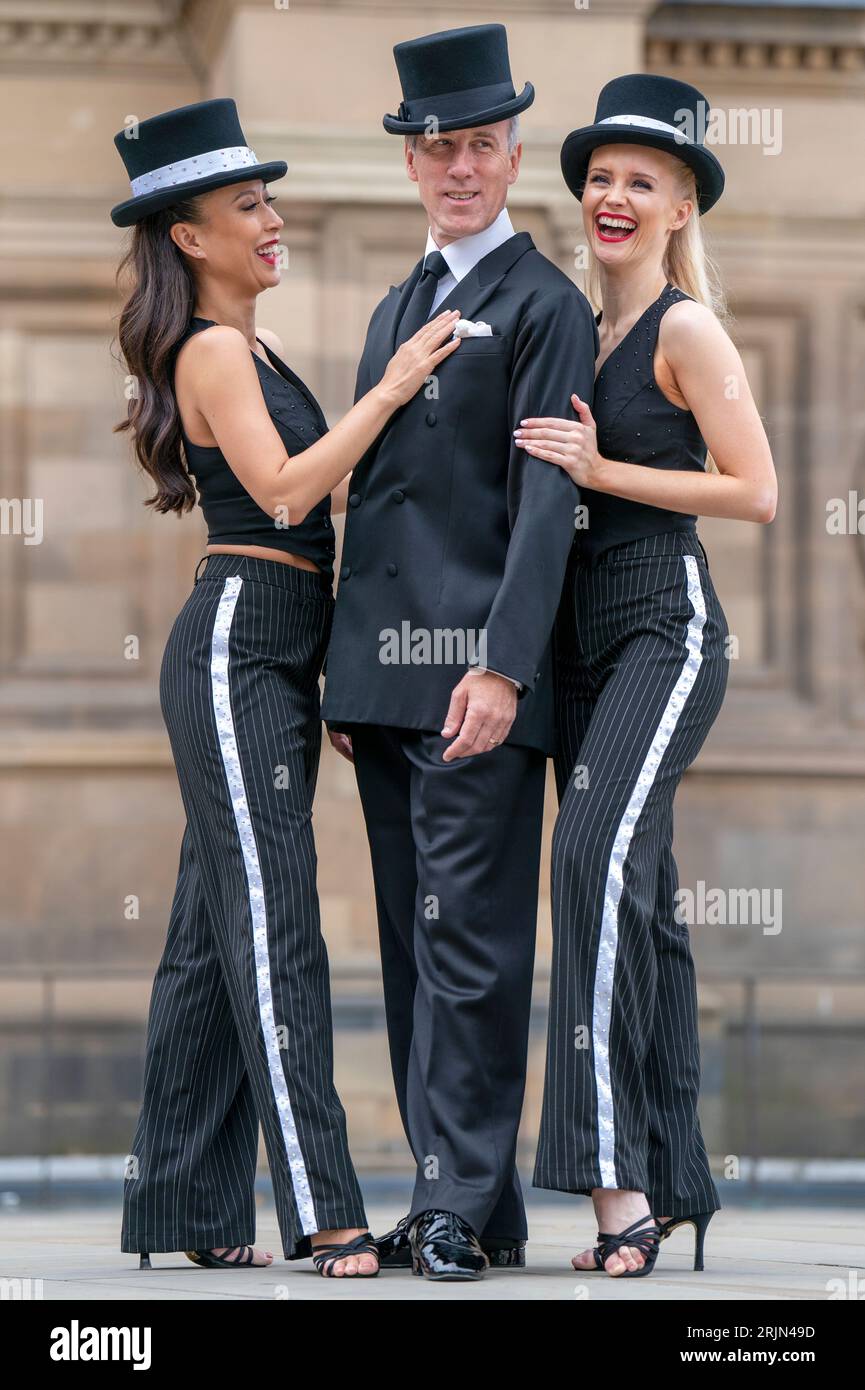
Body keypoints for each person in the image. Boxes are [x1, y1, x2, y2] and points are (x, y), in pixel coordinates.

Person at [111, 97, 461, 1278]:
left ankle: (181, 1211)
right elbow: (288, 495)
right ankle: (325, 1212)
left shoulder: (247, 347)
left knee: (215, 939)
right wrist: (400, 378)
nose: (272, 220)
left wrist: (341, 670)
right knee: (275, 926)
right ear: (187, 237)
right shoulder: (211, 348)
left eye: (268, 199)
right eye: (246, 205)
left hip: (276, 651)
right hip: (233, 648)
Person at [320, 24, 598, 1280]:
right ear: (412, 163)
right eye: (437, 148)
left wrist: (503, 667)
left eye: (480, 145)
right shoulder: (395, 304)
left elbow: (545, 510)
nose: (458, 168)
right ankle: (467, 1205)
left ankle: (450, 1196)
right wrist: (347, 672)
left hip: (478, 682)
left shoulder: (543, 304)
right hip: (382, 683)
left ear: (512, 153)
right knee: (411, 939)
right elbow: (369, 502)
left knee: (474, 945)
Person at [514, 73, 777, 1276]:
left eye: (642, 182)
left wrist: (603, 471)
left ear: (679, 208)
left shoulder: (683, 327)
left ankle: (614, 1188)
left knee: (590, 856)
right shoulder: (581, 322)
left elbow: (757, 490)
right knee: (646, 906)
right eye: (601, 177)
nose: (613, 196)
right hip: (577, 641)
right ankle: (679, 1179)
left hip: (663, 629)